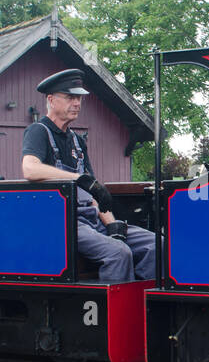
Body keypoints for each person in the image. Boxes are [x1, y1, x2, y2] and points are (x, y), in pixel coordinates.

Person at [20, 69, 155, 283]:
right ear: (51, 99)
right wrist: (76, 178)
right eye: (70, 97)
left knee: (154, 245)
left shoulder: (77, 141)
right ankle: (113, 315)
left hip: (90, 219)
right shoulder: (38, 131)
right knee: (118, 253)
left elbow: (93, 194)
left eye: (79, 98)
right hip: (61, 222)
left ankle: (149, 310)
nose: (77, 103)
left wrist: (112, 224)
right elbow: (30, 168)